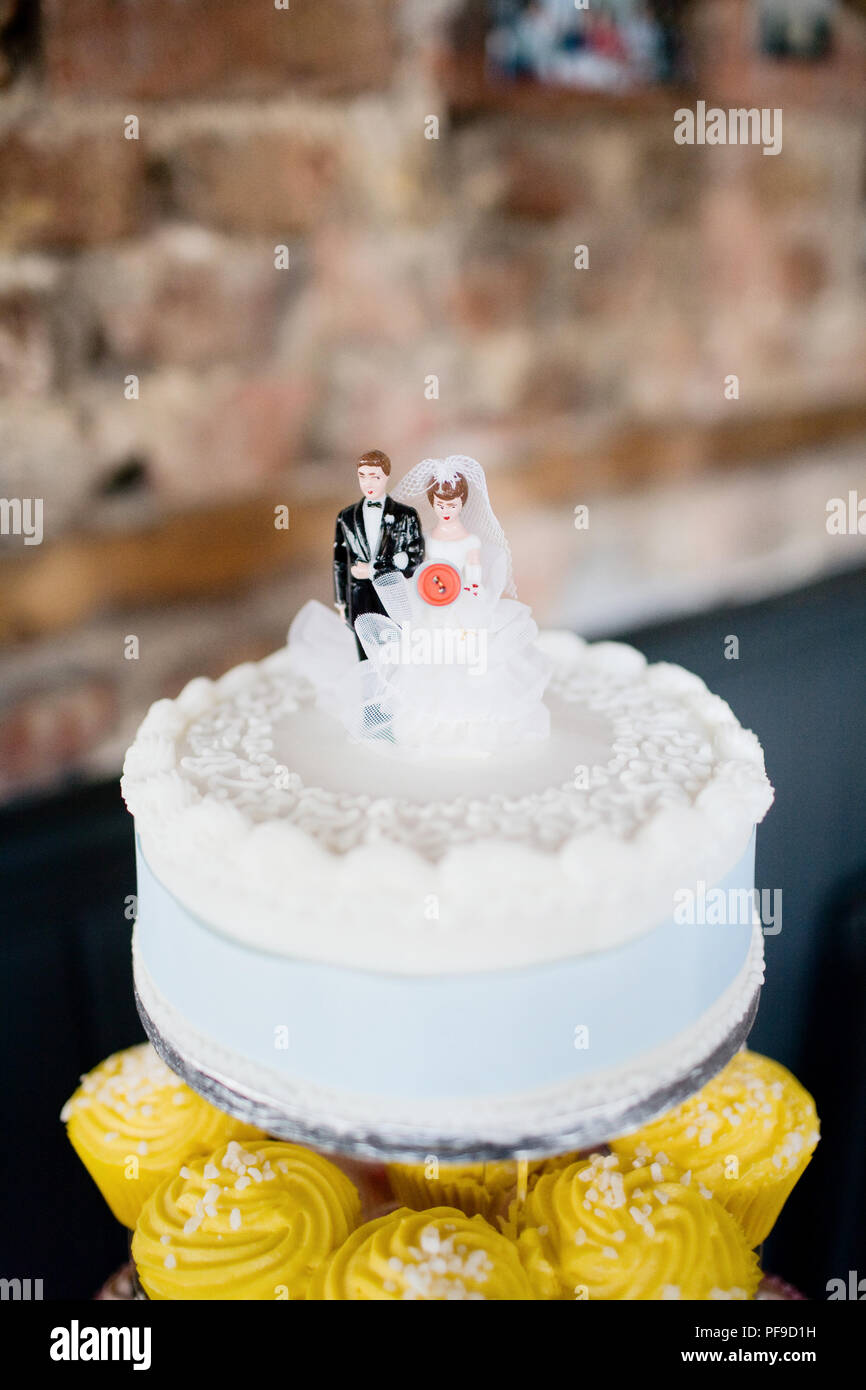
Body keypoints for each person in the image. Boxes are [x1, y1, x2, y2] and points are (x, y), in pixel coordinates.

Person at [332, 449, 425, 660]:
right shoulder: (346, 517)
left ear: (386, 477)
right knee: (366, 651)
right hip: (360, 596)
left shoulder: (405, 515)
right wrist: (341, 602)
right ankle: (372, 691)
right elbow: (340, 562)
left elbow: (415, 559)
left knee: (399, 649)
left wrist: (376, 569)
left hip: (396, 595)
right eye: (363, 477)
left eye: (375, 477)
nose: (368, 484)